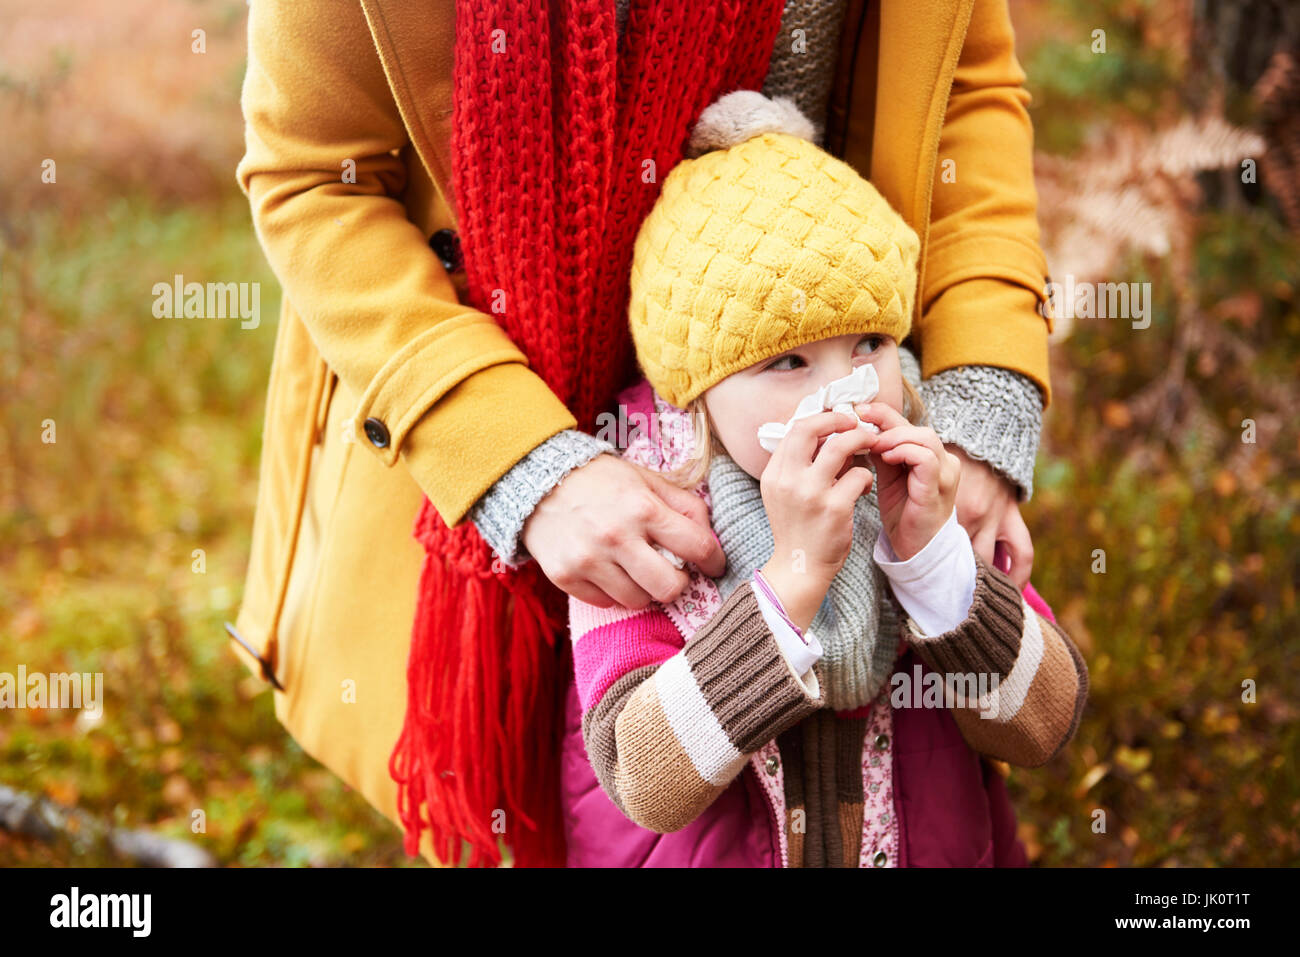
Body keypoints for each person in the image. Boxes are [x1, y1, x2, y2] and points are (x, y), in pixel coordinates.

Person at [231, 0, 1057, 867]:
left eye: (862, 360)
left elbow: (963, 84)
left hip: (843, 269)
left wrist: (978, 400)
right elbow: (317, 175)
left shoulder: (899, 473)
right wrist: (517, 462)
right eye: (816, 373)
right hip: (530, 401)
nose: (841, 395)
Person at [563, 92, 1087, 866]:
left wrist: (933, 561)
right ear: (696, 386)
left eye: (870, 342)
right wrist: (795, 576)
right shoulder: (641, 509)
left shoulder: (922, 466)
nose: (848, 392)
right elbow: (645, 781)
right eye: (789, 361)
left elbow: (1042, 723)